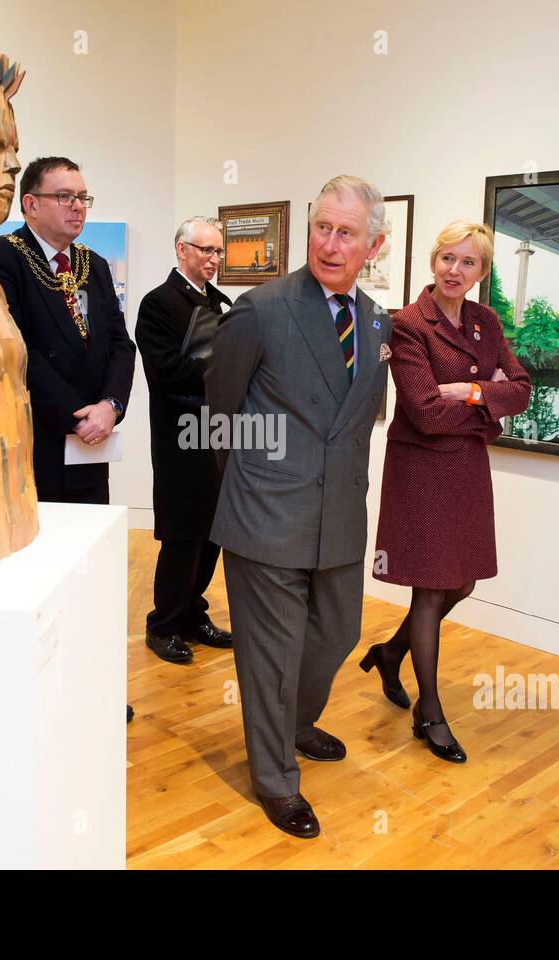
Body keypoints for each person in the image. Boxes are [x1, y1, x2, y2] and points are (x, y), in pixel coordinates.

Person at [205, 175, 390, 839]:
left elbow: (363, 417)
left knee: (338, 634)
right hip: (266, 513)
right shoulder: (261, 309)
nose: (329, 243)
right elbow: (220, 415)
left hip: (338, 514)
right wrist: (253, 483)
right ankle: (275, 778)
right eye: (321, 227)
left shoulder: (374, 319)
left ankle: (296, 722)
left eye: (346, 233)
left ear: (375, 243)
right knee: (272, 655)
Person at [364, 220, 532, 762]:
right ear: (433, 261)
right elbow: (425, 412)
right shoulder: (409, 324)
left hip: (467, 471)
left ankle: (391, 653)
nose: (454, 271)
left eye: (467, 263)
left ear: (482, 272)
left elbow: (523, 389)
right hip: (423, 470)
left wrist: (472, 390)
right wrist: (486, 407)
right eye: (446, 259)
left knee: (462, 585)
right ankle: (429, 711)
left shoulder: (486, 321)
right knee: (431, 590)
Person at [0, 156, 136, 504]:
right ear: (30, 204)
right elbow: (15, 348)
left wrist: (110, 406)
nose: (78, 207)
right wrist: (76, 416)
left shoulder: (92, 264)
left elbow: (121, 344)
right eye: (65, 197)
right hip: (36, 440)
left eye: (83, 197)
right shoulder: (1, 256)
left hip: (92, 445)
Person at [136, 217, 235, 664]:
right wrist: (222, 370)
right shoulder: (158, 303)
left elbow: (217, 363)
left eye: (218, 252)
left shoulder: (219, 301)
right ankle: (163, 624)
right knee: (182, 532)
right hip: (180, 433)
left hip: (218, 431)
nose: (213, 259)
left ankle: (194, 613)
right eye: (205, 250)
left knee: (213, 530)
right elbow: (165, 372)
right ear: (181, 250)